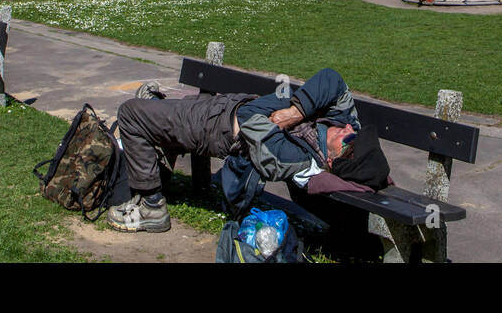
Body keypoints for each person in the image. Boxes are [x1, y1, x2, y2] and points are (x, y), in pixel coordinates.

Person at [107, 67, 389, 234]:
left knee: (131, 113)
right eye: (357, 133)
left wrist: (287, 111)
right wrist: (295, 112)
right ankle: (152, 116)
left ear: (332, 161)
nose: (350, 131)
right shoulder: (344, 121)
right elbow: (331, 78)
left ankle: (152, 206)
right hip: (223, 106)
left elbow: (250, 118)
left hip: (214, 128)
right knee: (148, 107)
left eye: (349, 143)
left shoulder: (297, 160)